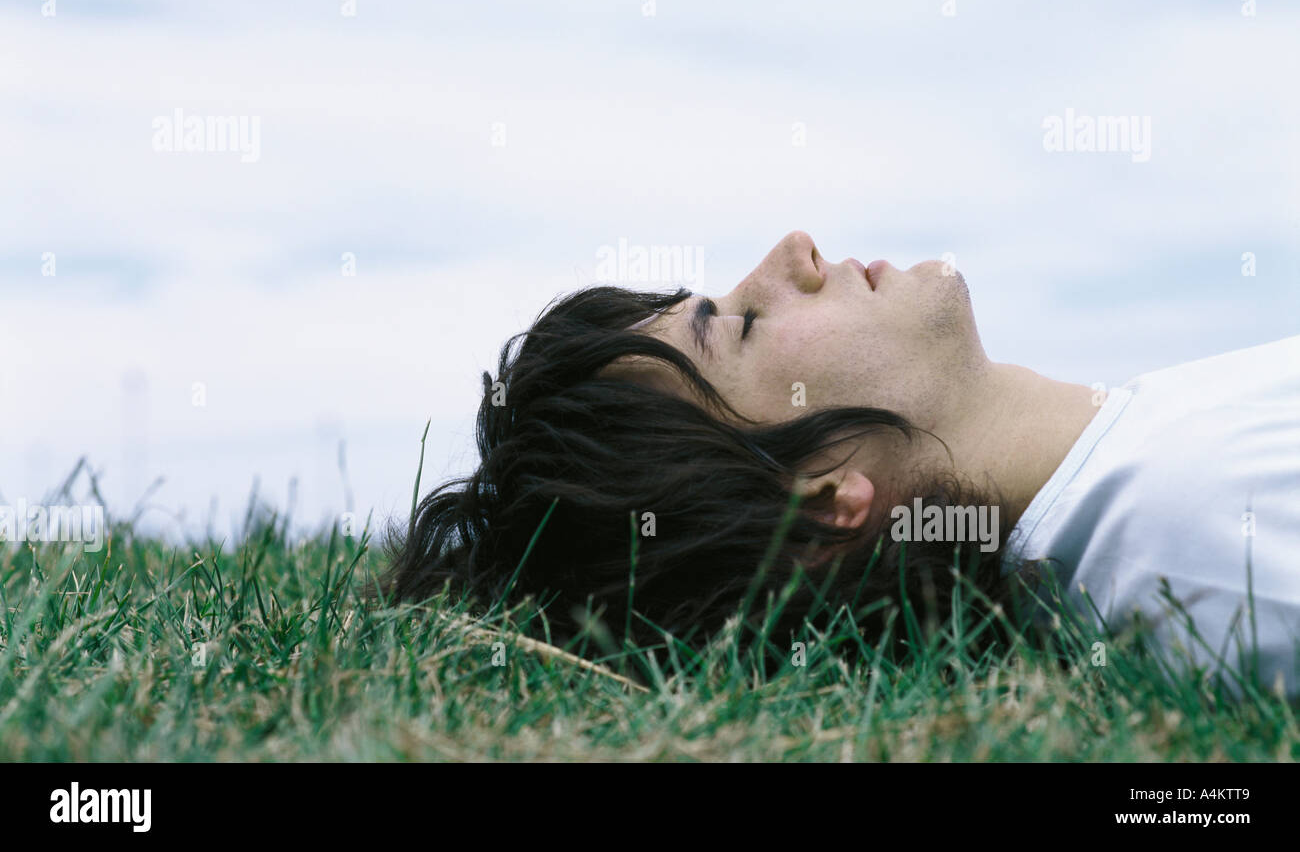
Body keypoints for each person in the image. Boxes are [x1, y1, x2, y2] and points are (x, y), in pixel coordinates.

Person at [379, 231, 1300, 692]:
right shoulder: (1205, 537)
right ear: (820, 503)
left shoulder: (1149, 455)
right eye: (740, 324)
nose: (795, 250)